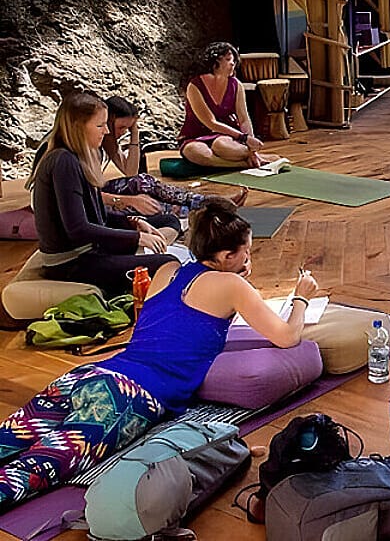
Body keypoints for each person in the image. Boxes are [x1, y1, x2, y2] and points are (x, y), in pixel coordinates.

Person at [0, 197, 320, 509]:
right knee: (32, 470)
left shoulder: (167, 271)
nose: (250, 257)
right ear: (224, 256)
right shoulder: (233, 286)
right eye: (246, 251)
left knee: (8, 437)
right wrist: (301, 298)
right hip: (127, 396)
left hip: (90, 374)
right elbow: (287, 337)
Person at [28, 92, 179, 297]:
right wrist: (137, 238)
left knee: (168, 220)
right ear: (78, 127)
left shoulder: (81, 156)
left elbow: (98, 216)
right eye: (100, 126)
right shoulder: (63, 161)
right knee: (168, 264)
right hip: (72, 262)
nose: (106, 130)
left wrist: (134, 223)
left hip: (90, 250)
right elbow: (78, 229)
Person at [32, 96, 240, 219]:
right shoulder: (65, 151)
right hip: (68, 204)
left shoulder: (104, 139)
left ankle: (208, 203)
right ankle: (205, 211)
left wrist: (134, 134)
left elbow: (130, 172)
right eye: (121, 127)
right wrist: (126, 200)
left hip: (93, 195)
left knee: (143, 181)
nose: (111, 131)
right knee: (144, 199)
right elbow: (82, 194)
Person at [179, 42, 275, 169]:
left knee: (222, 146)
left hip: (225, 135)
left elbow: (244, 119)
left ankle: (248, 157)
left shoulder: (236, 85)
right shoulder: (195, 86)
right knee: (194, 152)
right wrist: (243, 138)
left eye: (234, 61)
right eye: (228, 59)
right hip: (196, 135)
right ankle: (241, 164)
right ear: (214, 62)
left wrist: (252, 148)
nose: (233, 64)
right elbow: (211, 123)